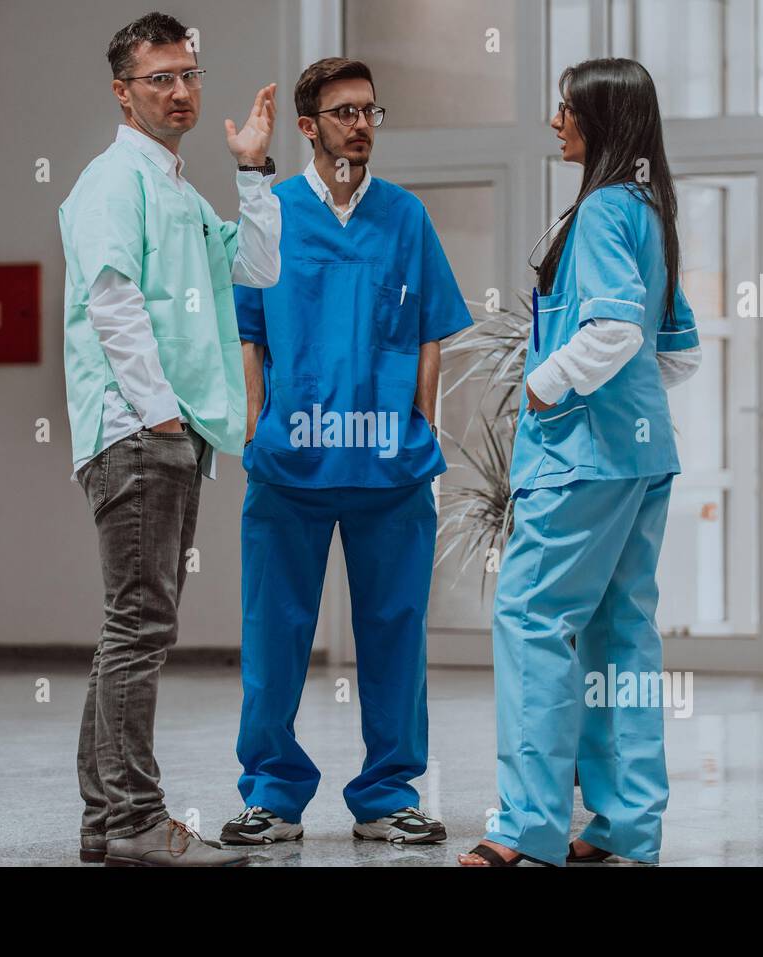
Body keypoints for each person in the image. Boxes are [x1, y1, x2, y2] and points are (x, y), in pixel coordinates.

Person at [219, 58, 473, 847]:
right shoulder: (274, 213)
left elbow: (431, 330)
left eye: (369, 110)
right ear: (308, 127)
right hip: (290, 464)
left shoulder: (406, 217)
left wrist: (421, 424)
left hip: (390, 468)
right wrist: (260, 423)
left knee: (395, 631)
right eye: (343, 112)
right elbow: (249, 335)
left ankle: (388, 792)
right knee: (273, 631)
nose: (360, 124)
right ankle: (273, 793)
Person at [458, 57, 701, 868]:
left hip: (580, 462)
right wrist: (623, 405)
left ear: (599, 120)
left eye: (565, 110)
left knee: (530, 621)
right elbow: (679, 353)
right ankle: (623, 828)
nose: (555, 122)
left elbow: (615, 332)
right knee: (620, 633)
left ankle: (524, 826)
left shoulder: (599, 211)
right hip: (640, 457)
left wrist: (543, 386)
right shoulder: (651, 211)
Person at [58, 11, 281, 867]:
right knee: (140, 629)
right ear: (123, 92)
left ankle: (106, 823)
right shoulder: (114, 183)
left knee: (130, 627)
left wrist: (253, 168)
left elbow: (257, 265)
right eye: (161, 78)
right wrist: (159, 415)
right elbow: (112, 300)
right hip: (140, 435)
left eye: (188, 74)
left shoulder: (180, 192)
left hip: (165, 434)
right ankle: (138, 821)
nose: (181, 90)